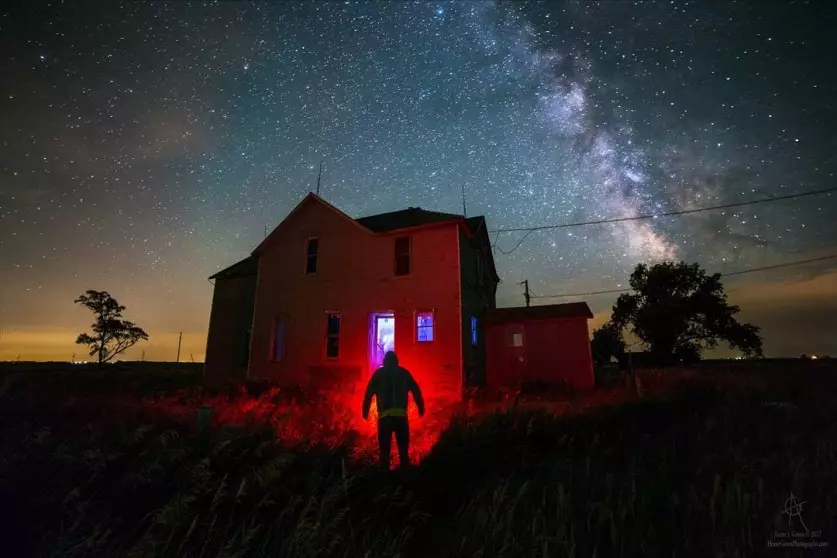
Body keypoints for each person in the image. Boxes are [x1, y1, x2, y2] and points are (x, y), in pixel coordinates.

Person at [362, 351, 425, 470]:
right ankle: (404, 481)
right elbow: (416, 390)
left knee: (384, 454)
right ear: (397, 361)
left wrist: (365, 412)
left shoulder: (378, 374)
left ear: (384, 361)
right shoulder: (404, 373)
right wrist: (421, 407)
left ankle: (386, 482)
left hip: (385, 419)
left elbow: (368, 395)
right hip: (401, 419)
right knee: (403, 454)